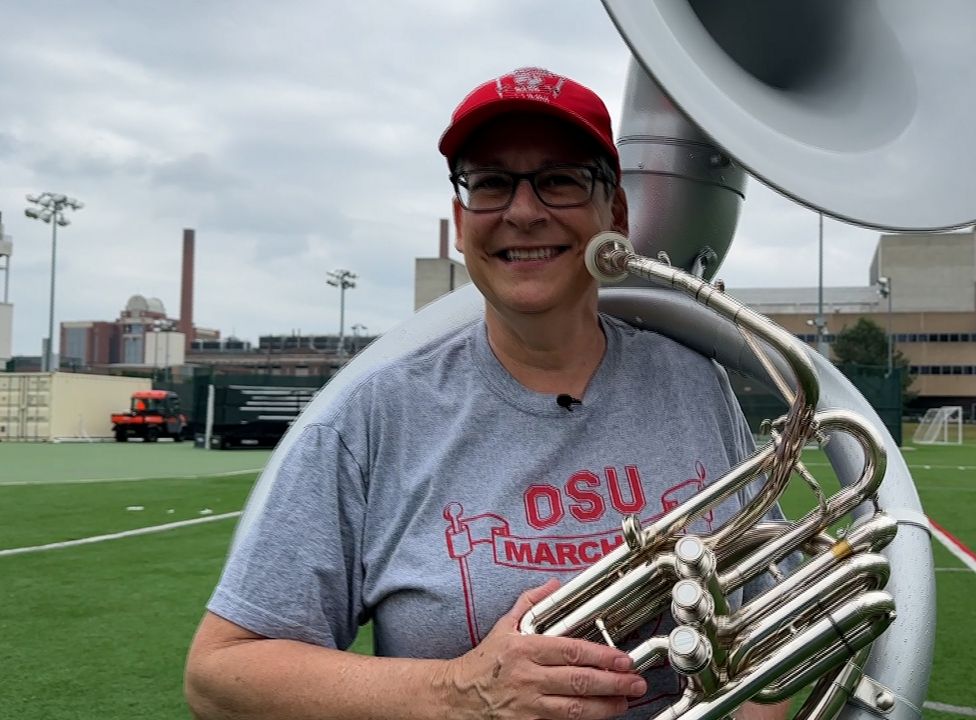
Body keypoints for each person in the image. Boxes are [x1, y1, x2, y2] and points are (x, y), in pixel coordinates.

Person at [185, 67, 787, 720]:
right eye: (491, 183)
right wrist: (461, 691)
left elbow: (762, 626)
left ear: (614, 212)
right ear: (459, 220)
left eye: (559, 179)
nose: (523, 212)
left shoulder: (697, 383)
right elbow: (220, 676)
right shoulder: (372, 419)